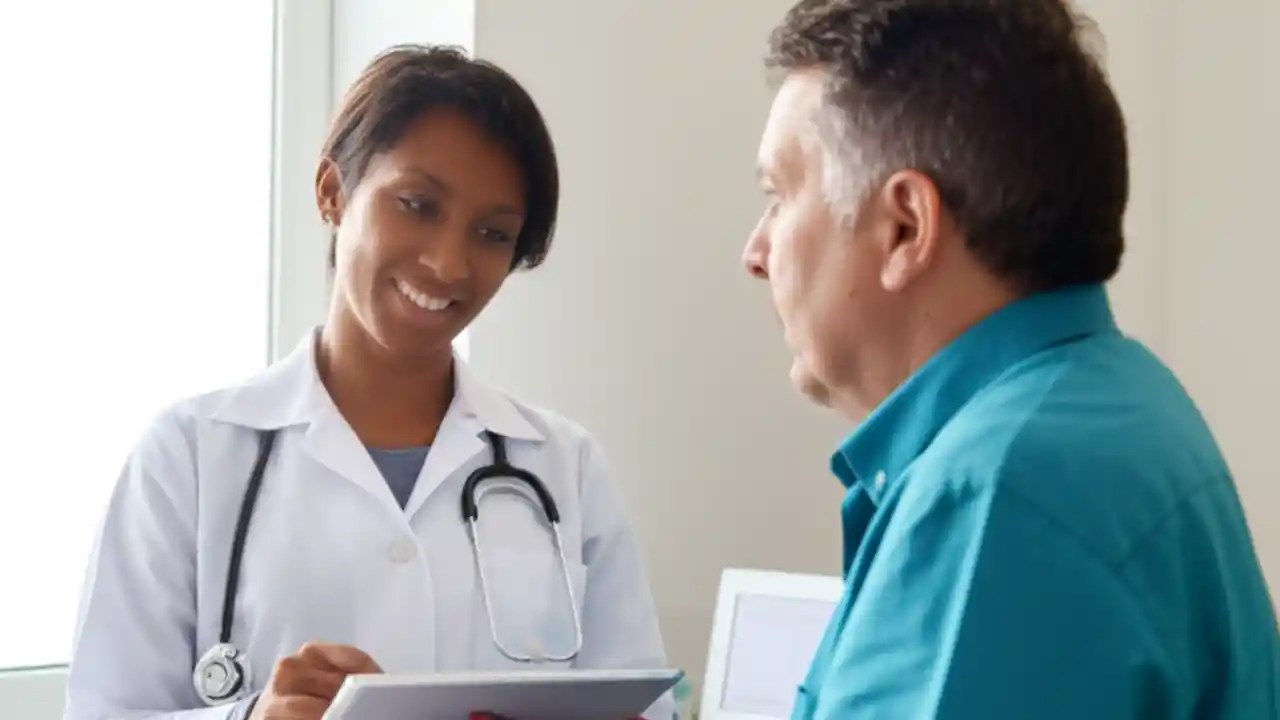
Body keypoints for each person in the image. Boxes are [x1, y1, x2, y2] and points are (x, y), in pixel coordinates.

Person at [65, 45, 671, 720]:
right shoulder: (191, 456)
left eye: (492, 234)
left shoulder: (564, 467)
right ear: (332, 192)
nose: (448, 263)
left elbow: (640, 706)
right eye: (416, 204)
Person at [743, 1, 1280, 718]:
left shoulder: (996, 492)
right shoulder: (1122, 402)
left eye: (778, 196)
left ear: (906, 227)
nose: (755, 252)